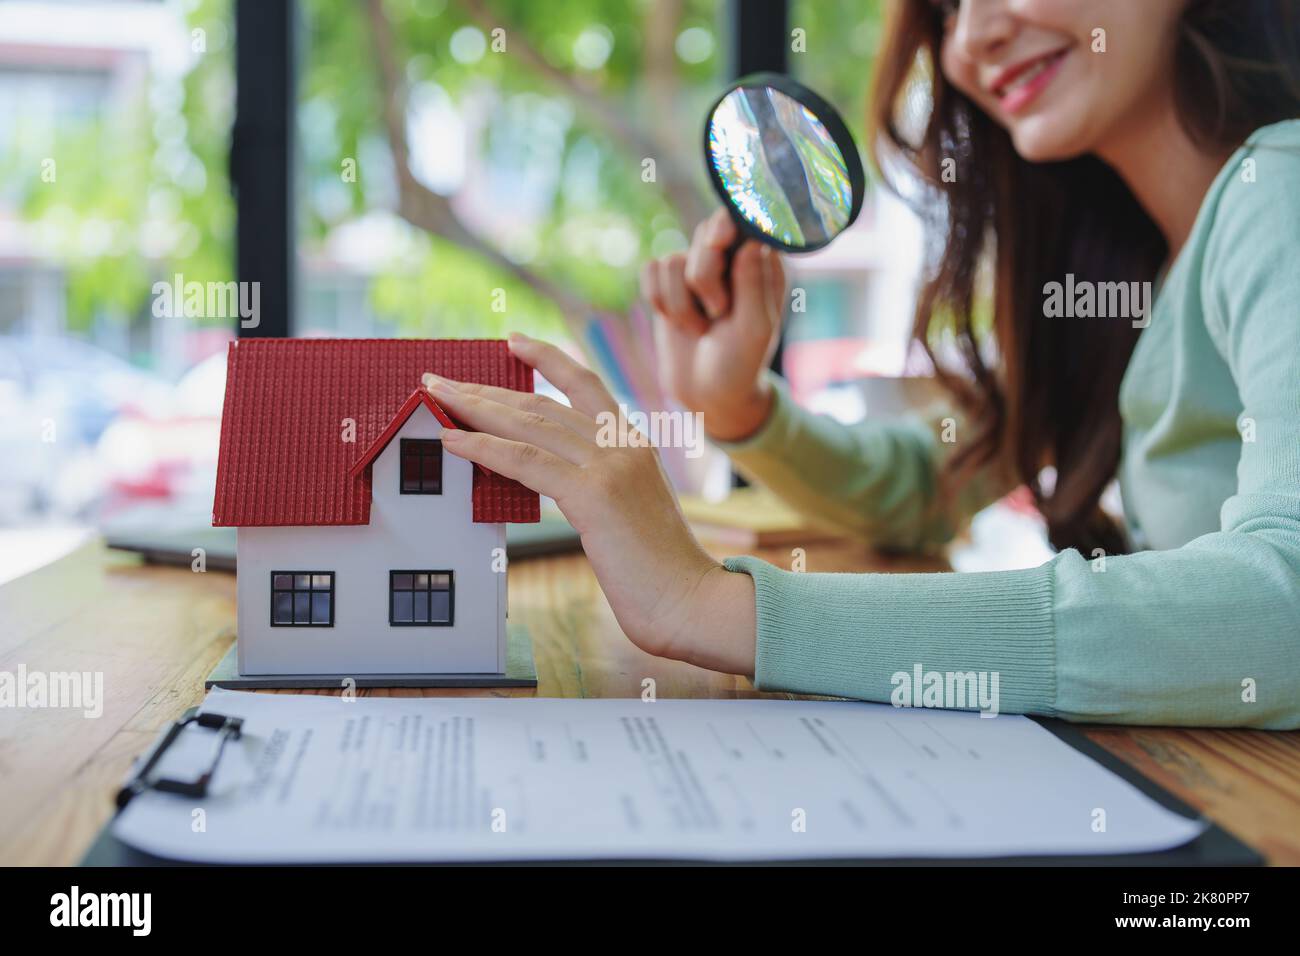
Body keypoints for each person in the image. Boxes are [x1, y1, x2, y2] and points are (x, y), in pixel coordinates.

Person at [426, 0, 1300, 727]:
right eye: (948, 9)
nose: (971, 40)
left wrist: (717, 607)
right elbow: (931, 485)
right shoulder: (1137, 272)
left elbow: (1283, 607)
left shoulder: (1282, 189)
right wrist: (740, 409)